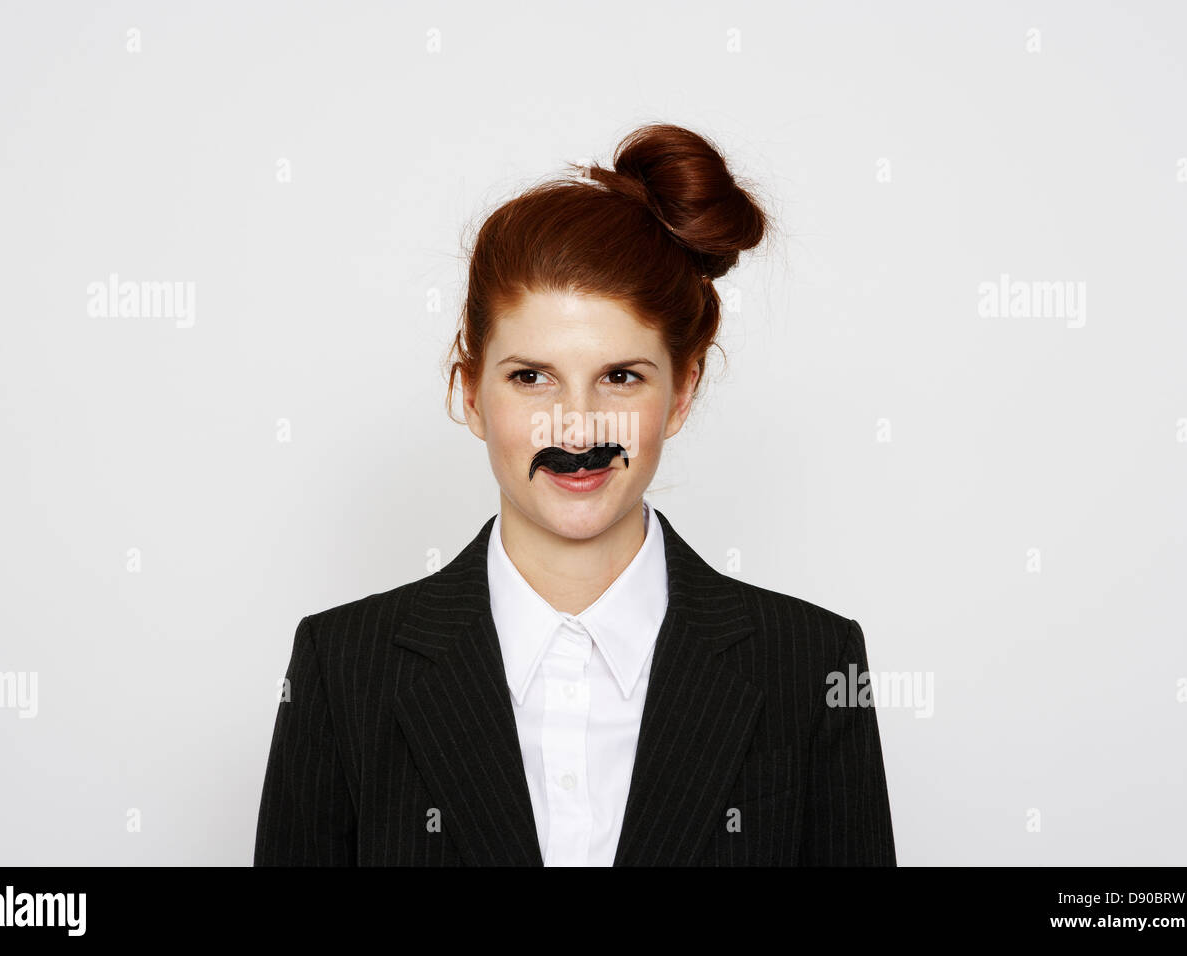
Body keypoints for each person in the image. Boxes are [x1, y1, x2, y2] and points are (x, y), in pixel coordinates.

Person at [254, 123, 896, 866]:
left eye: (621, 377)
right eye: (532, 377)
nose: (579, 427)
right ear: (469, 392)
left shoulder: (811, 665)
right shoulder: (342, 671)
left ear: (682, 392)